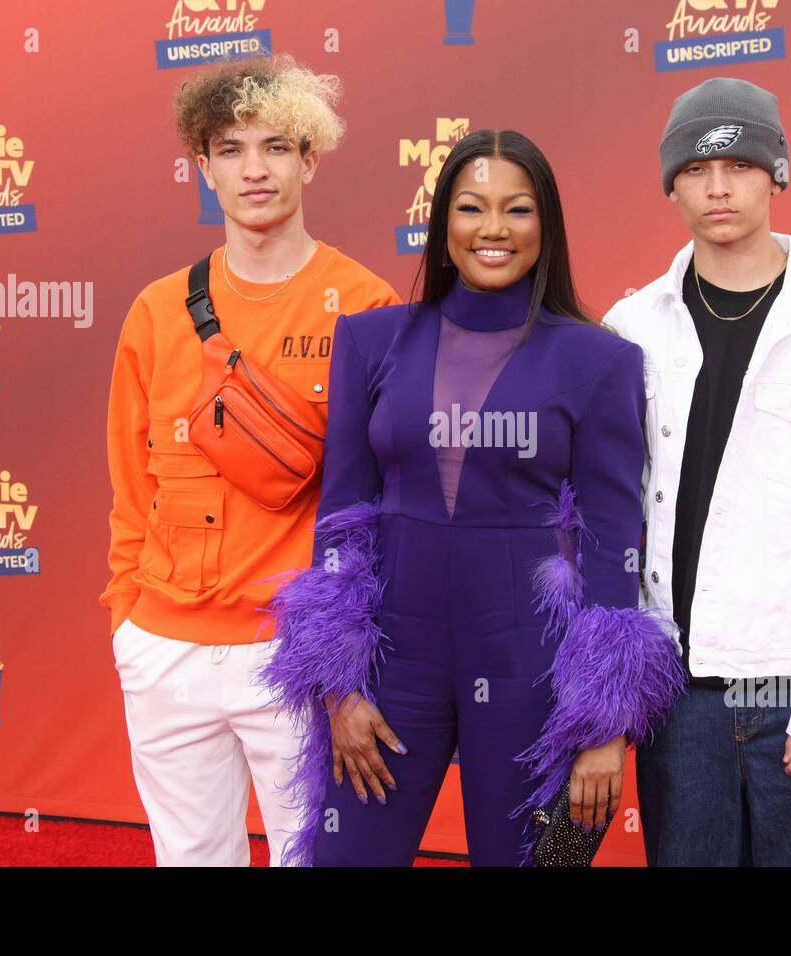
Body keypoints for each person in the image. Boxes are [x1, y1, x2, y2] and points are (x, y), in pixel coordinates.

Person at [259, 129, 686, 866]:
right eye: (471, 207)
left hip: (538, 677)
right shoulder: (369, 340)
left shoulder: (602, 359)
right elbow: (340, 522)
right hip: (390, 672)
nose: (493, 229)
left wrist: (604, 723)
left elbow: (617, 542)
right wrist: (336, 685)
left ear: (544, 225)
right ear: (442, 224)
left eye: (516, 209)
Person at [99, 54, 399, 866]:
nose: (254, 169)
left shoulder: (368, 307)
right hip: (163, 646)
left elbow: (386, 505)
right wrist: (129, 616)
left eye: (276, 146)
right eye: (230, 149)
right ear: (203, 167)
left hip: (294, 654)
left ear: (311, 158)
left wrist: (342, 657)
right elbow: (131, 485)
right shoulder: (158, 312)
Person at [603, 77, 791, 866]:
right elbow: (612, 514)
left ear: (775, 173)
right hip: (679, 701)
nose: (718, 187)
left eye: (738, 164)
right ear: (672, 185)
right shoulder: (631, 326)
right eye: (697, 170)